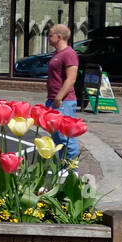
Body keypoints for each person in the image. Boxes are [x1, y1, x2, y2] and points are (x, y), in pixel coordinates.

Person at [46, 23, 80, 168]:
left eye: (50, 35)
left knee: (66, 138)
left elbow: (71, 78)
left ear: (59, 37)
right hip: (53, 100)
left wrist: (59, 97)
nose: (48, 37)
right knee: (58, 137)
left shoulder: (69, 54)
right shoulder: (57, 54)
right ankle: (64, 168)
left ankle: (73, 170)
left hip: (63, 102)